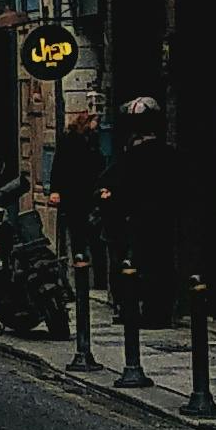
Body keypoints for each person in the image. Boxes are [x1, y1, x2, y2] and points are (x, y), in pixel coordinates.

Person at [102, 96, 177, 320]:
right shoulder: (167, 155)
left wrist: (109, 197)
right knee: (158, 264)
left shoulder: (131, 157)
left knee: (135, 265)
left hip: (137, 220)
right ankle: (157, 310)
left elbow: (114, 184)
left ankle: (136, 309)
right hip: (160, 219)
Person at [50, 106, 106, 289]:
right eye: (94, 121)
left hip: (86, 194)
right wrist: (56, 190)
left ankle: (96, 279)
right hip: (75, 194)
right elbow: (59, 166)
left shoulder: (91, 140)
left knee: (91, 237)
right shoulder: (71, 140)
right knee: (80, 236)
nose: (97, 125)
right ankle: (85, 279)